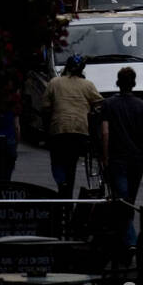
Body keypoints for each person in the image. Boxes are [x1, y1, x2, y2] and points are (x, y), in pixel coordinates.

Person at [100, 67, 143, 255]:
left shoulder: (108, 105)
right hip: (136, 159)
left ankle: (129, 240)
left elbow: (105, 132)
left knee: (122, 198)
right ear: (134, 83)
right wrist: (141, 151)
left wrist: (105, 157)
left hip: (117, 157)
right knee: (130, 198)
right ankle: (127, 237)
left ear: (117, 83)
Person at [41, 55, 103, 199]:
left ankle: (62, 184)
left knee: (57, 161)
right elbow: (100, 104)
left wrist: (46, 129)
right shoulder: (87, 85)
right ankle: (68, 192)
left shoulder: (54, 83)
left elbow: (45, 108)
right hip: (79, 130)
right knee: (71, 164)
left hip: (58, 129)